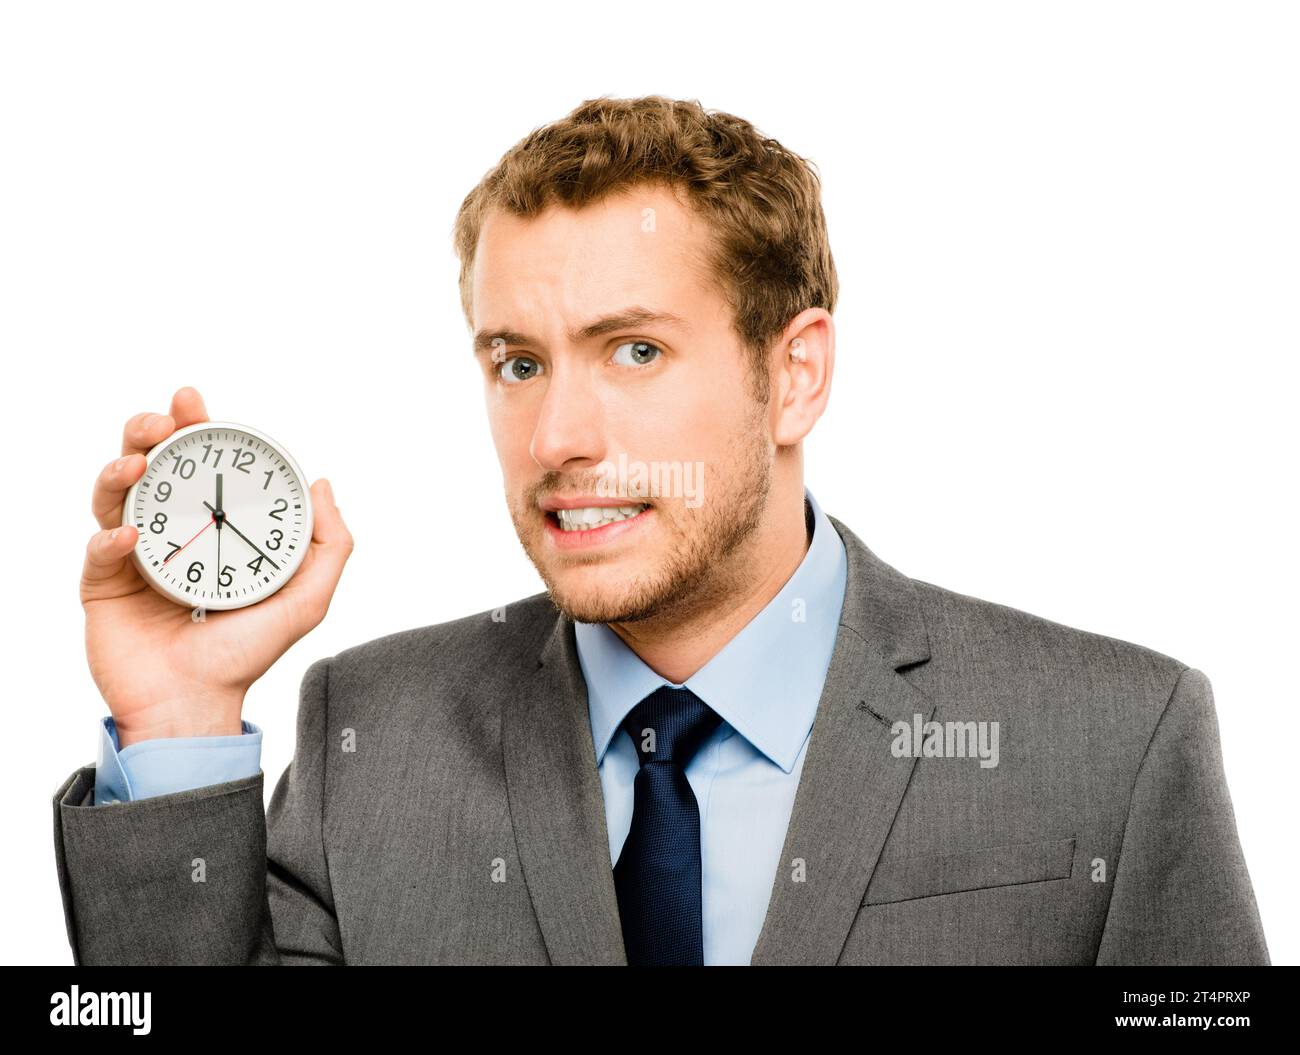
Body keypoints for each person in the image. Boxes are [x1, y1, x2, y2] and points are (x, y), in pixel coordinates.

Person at [56, 95, 1269, 966]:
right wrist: (178, 720)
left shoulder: (1113, 739)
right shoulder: (368, 736)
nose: (555, 437)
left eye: (634, 349)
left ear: (793, 376)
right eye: (517, 361)